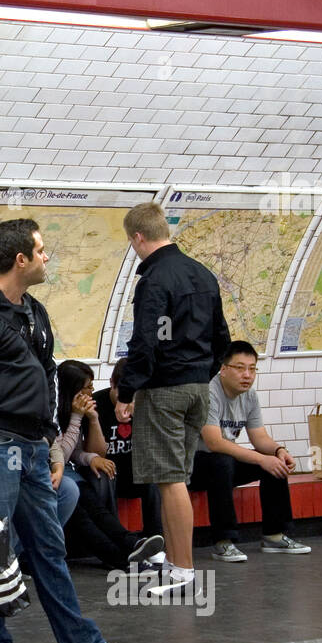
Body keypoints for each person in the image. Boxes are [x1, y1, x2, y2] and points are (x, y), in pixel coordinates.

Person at [0, 218, 133, 643]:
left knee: (50, 547)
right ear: (20, 259)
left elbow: (49, 374)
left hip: (32, 448)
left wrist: (51, 443)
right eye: (41, 250)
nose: (47, 257)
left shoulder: (33, 311)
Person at [117, 202, 230, 596]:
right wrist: (200, 374)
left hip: (164, 390)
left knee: (170, 481)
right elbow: (223, 341)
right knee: (177, 478)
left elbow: (144, 343)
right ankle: (177, 564)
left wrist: (127, 391)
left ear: (138, 237)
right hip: (198, 388)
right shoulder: (202, 273)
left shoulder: (153, 280)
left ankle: (183, 570)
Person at [189, 340, 311, 561]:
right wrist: (261, 459)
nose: (247, 374)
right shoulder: (208, 393)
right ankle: (223, 541)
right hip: (192, 466)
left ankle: (274, 536)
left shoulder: (250, 396)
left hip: (222, 464)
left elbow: (259, 437)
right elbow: (214, 442)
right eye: (240, 368)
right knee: (222, 461)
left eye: (252, 368)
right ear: (223, 369)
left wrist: (278, 451)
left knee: (274, 464)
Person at [54, 359, 164, 570]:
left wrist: (90, 457)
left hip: (71, 473)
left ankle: (136, 544)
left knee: (96, 511)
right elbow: (59, 456)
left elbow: (75, 453)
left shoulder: (78, 409)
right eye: (87, 387)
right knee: (84, 516)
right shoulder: (56, 411)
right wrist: (80, 418)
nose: (91, 391)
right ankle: (125, 555)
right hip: (57, 474)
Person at [92, 357, 163, 544]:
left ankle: (155, 540)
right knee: (104, 475)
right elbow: (94, 453)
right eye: (122, 393)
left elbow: (155, 448)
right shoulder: (96, 404)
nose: (126, 401)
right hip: (108, 470)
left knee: (154, 475)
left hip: (135, 471)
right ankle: (118, 542)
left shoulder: (145, 404)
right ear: (111, 384)